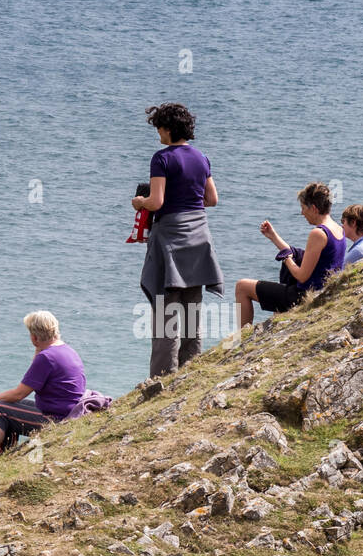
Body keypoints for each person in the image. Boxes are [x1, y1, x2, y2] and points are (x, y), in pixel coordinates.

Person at [134, 103, 224, 378]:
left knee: (165, 315)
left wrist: (139, 202)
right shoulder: (201, 157)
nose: (158, 134)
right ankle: (190, 374)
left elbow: (156, 201)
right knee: (192, 314)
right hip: (199, 240)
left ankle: (162, 380)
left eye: (159, 128)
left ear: (169, 129)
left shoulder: (161, 158)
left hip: (169, 241)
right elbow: (212, 199)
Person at [234, 182, 346, 327]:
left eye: (303, 208)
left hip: (303, 296)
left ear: (313, 208)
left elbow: (301, 276)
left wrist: (287, 260)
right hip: (323, 292)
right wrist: (273, 236)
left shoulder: (318, 233)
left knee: (242, 287)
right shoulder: (338, 229)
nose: (302, 213)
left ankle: (241, 339)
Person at [0, 311, 86, 460]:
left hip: (57, 419)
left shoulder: (46, 357)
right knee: (3, 403)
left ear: (34, 337)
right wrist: (38, 348)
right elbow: (32, 380)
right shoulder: (67, 350)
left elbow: (19, 394)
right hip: (69, 409)